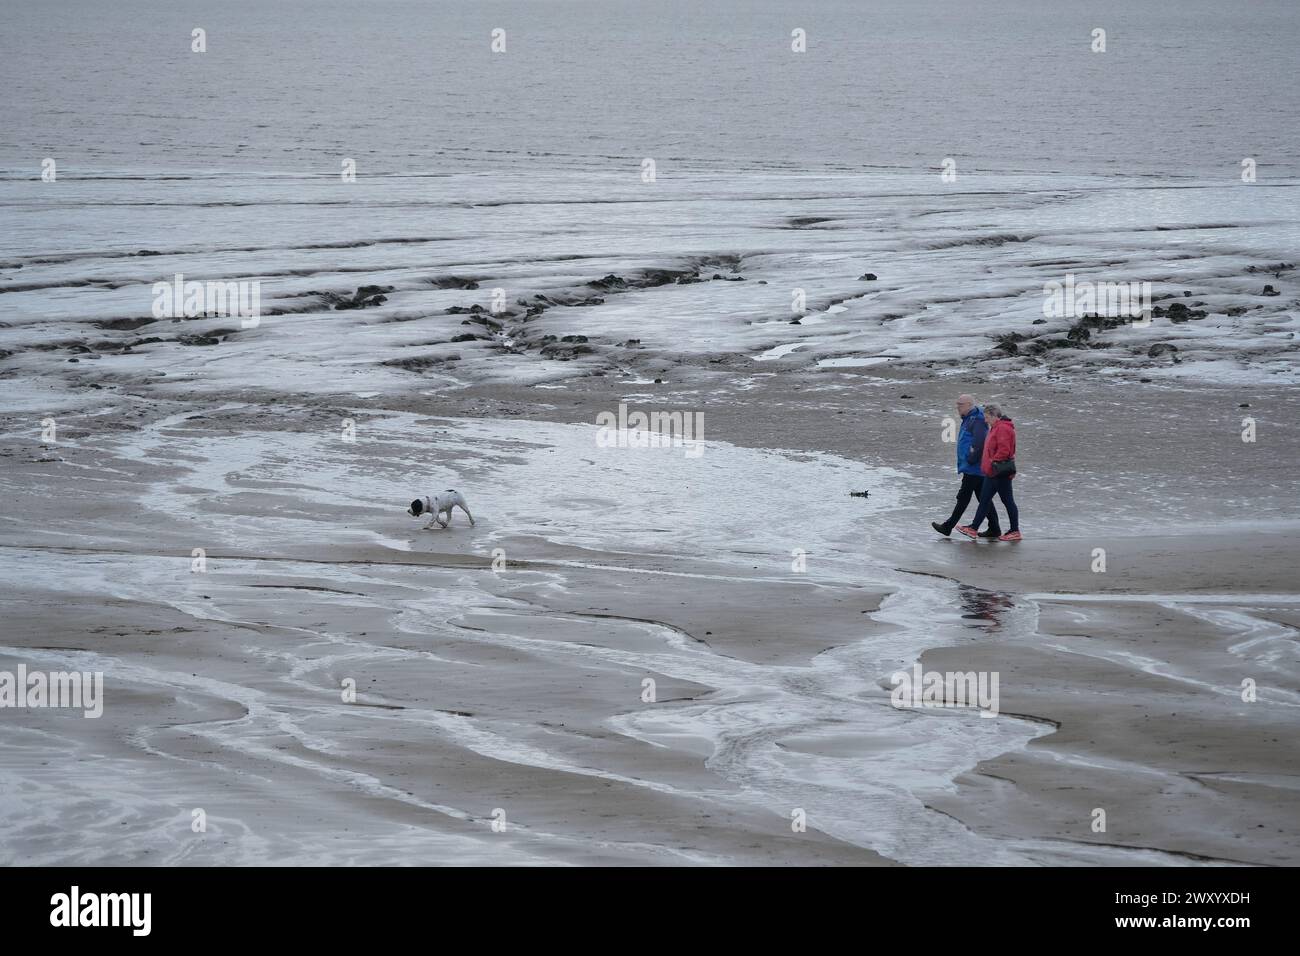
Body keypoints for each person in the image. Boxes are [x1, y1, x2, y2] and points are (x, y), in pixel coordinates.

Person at [932, 394, 1001, 538]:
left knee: (963, 497)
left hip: (974, 467)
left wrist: (970, 459)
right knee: (983, 497)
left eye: (960, 404)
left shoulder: (977, 419)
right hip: (973, 467)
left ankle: (948, 526)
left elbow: (980, 442)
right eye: (957, 404)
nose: (957, 407)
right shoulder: (969, 418)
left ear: (970, 405)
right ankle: (994, 528)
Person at [957, 403, 1021, 541]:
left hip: (999, 472)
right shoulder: (996, 427)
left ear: (994, 416)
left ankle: (1015, 531)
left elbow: (1004, 451)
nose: (985, 420)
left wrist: (992, 463)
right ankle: (973, 528)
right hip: (992, 472)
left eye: (987, 417)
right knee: (985, 500)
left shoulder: (1003, 428)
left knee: (1007, 501)